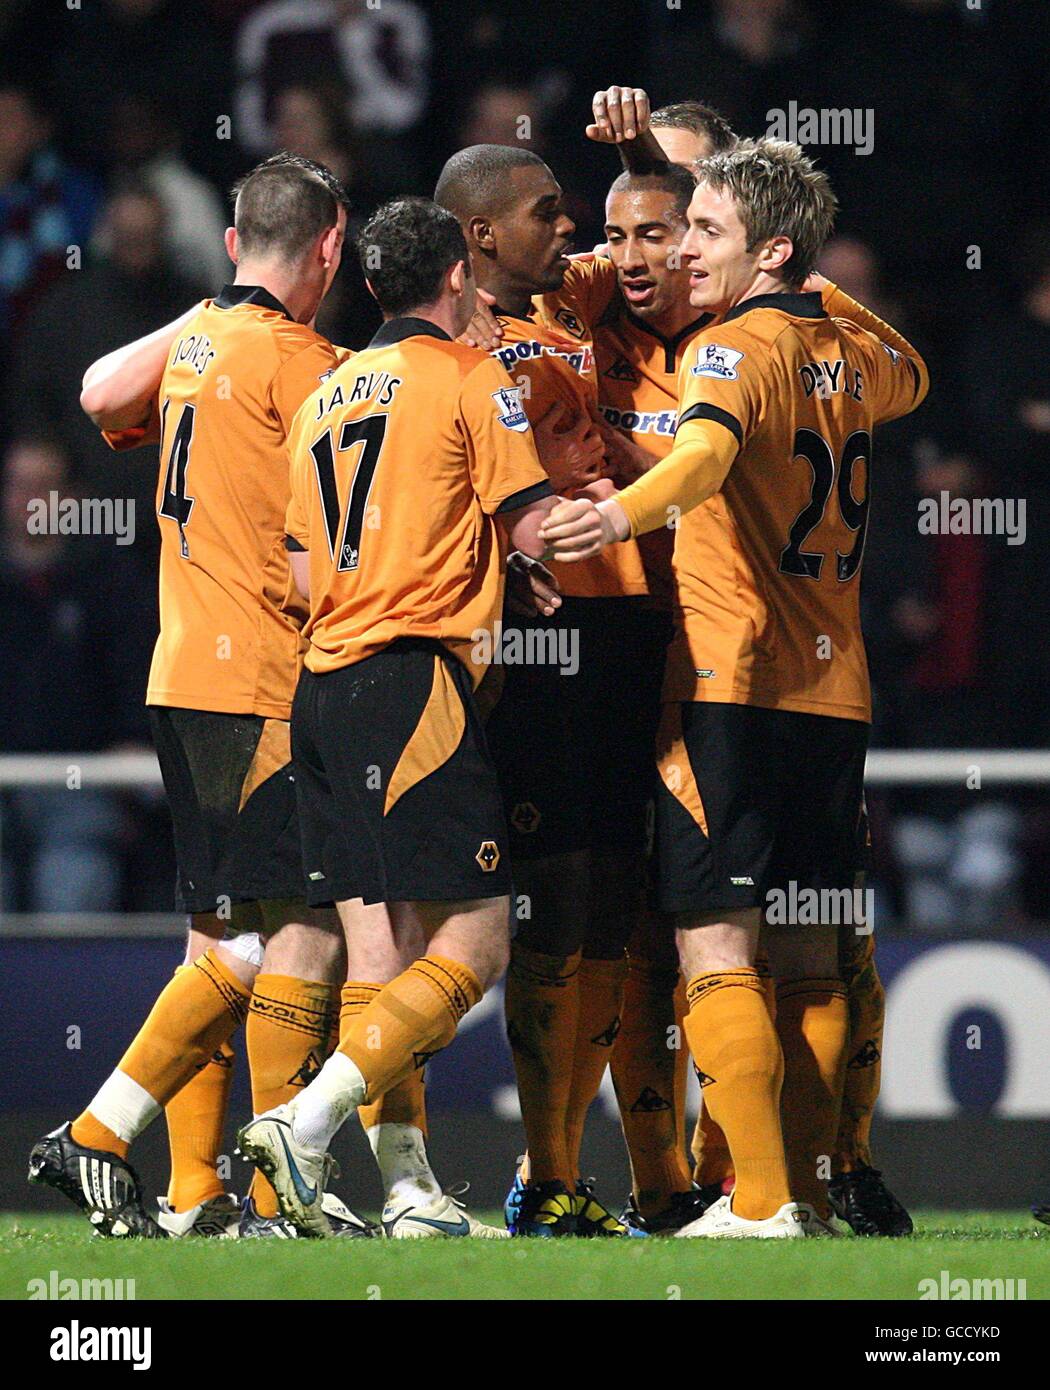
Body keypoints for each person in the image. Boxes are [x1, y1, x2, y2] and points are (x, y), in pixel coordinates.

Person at [541, 137, 928, 1237]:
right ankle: (802, 1185)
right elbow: (920, 369)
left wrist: (618, 509)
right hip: (836, 697)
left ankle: (755, 1200)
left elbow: (704, 458)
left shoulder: (727, 349)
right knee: (808, 960)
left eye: (704, 229)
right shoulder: (849, 353)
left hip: (728, 686)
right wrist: (818, 285)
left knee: (714, 947)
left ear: (770, 247)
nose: (681, 247)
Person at [237, 196, 602, 1237]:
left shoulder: (327, 391)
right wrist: (649, 490)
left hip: (324, 684)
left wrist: (486, 565)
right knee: (480, 936)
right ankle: (301, 1131)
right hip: (414, 684)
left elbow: (306, 565)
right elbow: (546, 524)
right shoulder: (474, 376)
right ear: (457, 280)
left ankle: (405, 1190)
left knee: (378, 954)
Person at [27, 153, 371, 1241]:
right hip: (264, 682)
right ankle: (122, 1140)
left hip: (181, 677)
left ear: (231, 247)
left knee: (217, 940)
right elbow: (335, 545)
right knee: (290, 933)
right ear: (330, 249)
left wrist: (208, 307)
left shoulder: (195, 348)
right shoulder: (312, 364)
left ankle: (192, 1193)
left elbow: (97, 392)